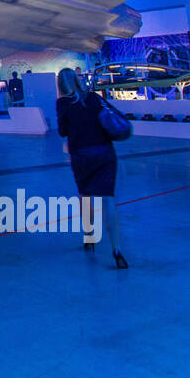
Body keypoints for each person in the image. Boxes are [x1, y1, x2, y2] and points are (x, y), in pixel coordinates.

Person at [56, 68, 127, 269]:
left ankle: (89, 236)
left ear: (61, 85)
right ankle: (117, 250)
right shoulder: (94, 98)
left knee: (85, 197)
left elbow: (62, 132)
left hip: (82, 156)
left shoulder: (63, 103)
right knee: (108, 201)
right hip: (105, 153)